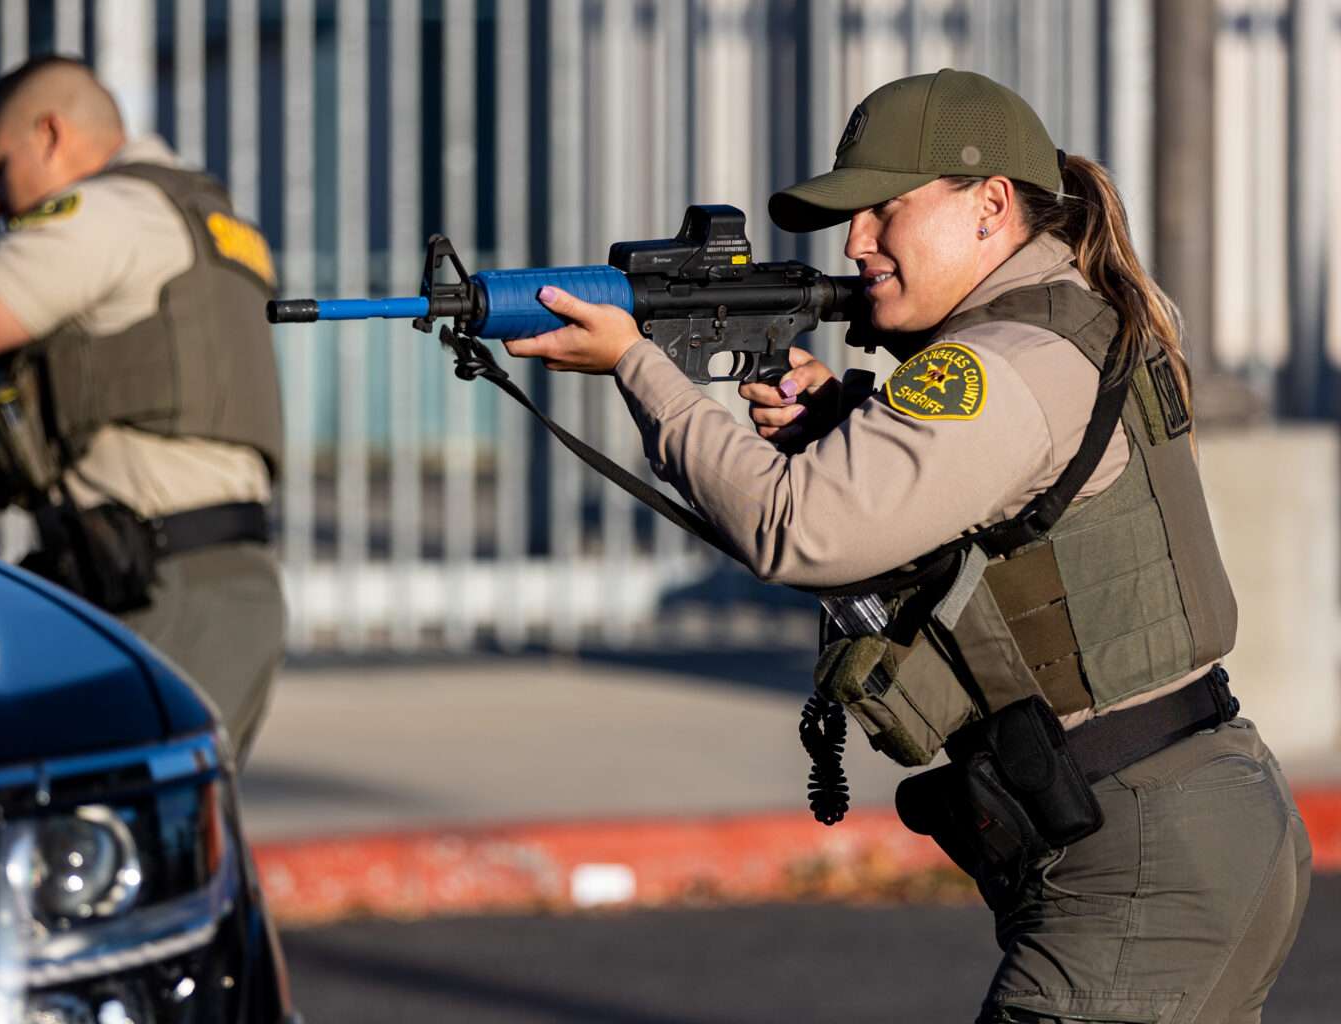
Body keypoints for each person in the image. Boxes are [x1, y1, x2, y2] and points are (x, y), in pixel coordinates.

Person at [506, 69, 1310, 1023]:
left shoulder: (996, 364)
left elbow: (795, 529)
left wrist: (639, 368)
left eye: (886, 209)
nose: (856, 242)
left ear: (990, 207)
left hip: (1137, 862)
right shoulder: (1061, 322)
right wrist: (844, 424)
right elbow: (1004, 497)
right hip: (1178, 826)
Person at [0, 55, 285, 764]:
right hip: (224, 584)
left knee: (111, 841)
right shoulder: (207, 215)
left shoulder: (104, 213)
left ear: (49, 134)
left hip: (156, 591)